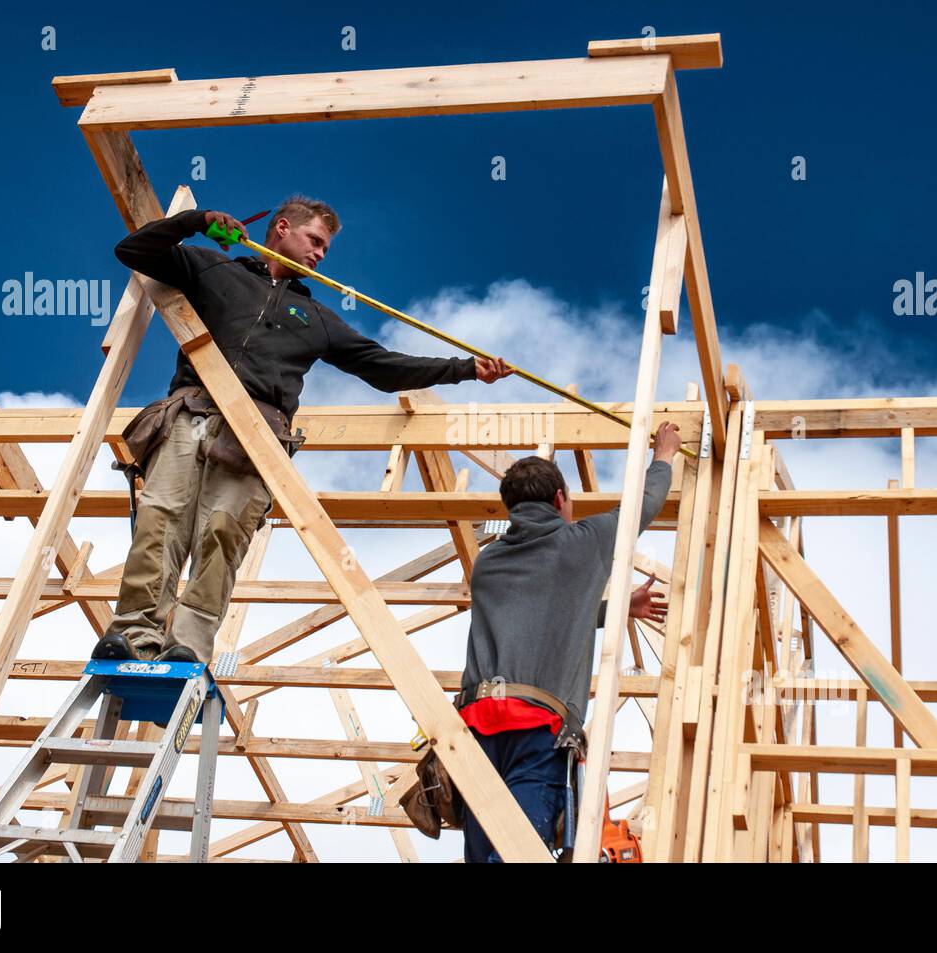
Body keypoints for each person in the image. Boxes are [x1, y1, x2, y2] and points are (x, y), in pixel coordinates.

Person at [92, 196, 514, 664]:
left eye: (325, 249)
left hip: (253, 438)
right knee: (160, 520)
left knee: (223, 534)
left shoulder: (316, 319)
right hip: (191, 413)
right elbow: (133, 251)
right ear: (282, 227)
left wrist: (467, 369)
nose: (319, 254)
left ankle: (187, 644)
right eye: (314, 241)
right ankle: (133, 633)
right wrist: (196, 221)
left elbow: (386, 367)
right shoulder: (213, 269)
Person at [456, 422, 681, 861]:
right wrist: (665, 455)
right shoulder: (583, 542)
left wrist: (610, 610)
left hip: (475, 727)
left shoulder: (488, 561)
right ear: (561, 499)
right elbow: (642, 505)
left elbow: (533, 613)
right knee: (519, 852)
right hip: (537, 729)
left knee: (484, 852)